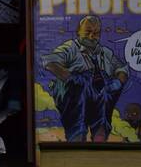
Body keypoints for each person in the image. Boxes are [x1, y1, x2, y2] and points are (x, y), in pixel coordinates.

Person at [42, 14, 129, 143]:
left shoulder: (105, 52)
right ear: (78, 31)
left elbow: (122, 69)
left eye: (96, 33)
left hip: (98, 93)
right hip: (75, 92)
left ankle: (100, 133)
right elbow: (49, 62)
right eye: (88, 32)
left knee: (106, 91)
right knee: (81, 87)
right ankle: (76, 136)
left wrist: (118, 81)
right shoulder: (70, 47)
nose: (92, 36)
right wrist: (70, 78)